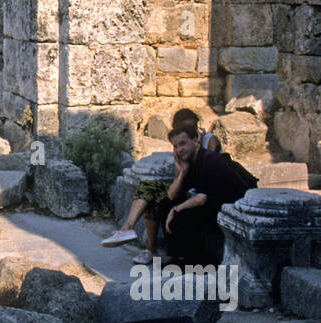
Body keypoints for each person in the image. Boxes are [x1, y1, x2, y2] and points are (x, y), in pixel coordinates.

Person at [102, 110, 223, 263]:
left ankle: (141, 241)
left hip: (208, 194)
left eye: (190, 130)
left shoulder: (208, 140)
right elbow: (174, 191)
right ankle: (135, 235)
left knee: (156, 194)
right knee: (149, 188)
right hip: (191, 191)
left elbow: (207, 164)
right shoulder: (181, 151)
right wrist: (181, 170)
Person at [164, 119, 257, 266]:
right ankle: (181, 258)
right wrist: (181, 173)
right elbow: (171, 195)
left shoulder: (210, 160)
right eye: (175, 146)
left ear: (196, 141)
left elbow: (201, 198)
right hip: (214, 205)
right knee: (166, 205)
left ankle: (197, 262)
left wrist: (176, 210)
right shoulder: (189, 162)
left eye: (182, 144)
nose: (179, 150)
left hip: (231, 207)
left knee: (180, 215)